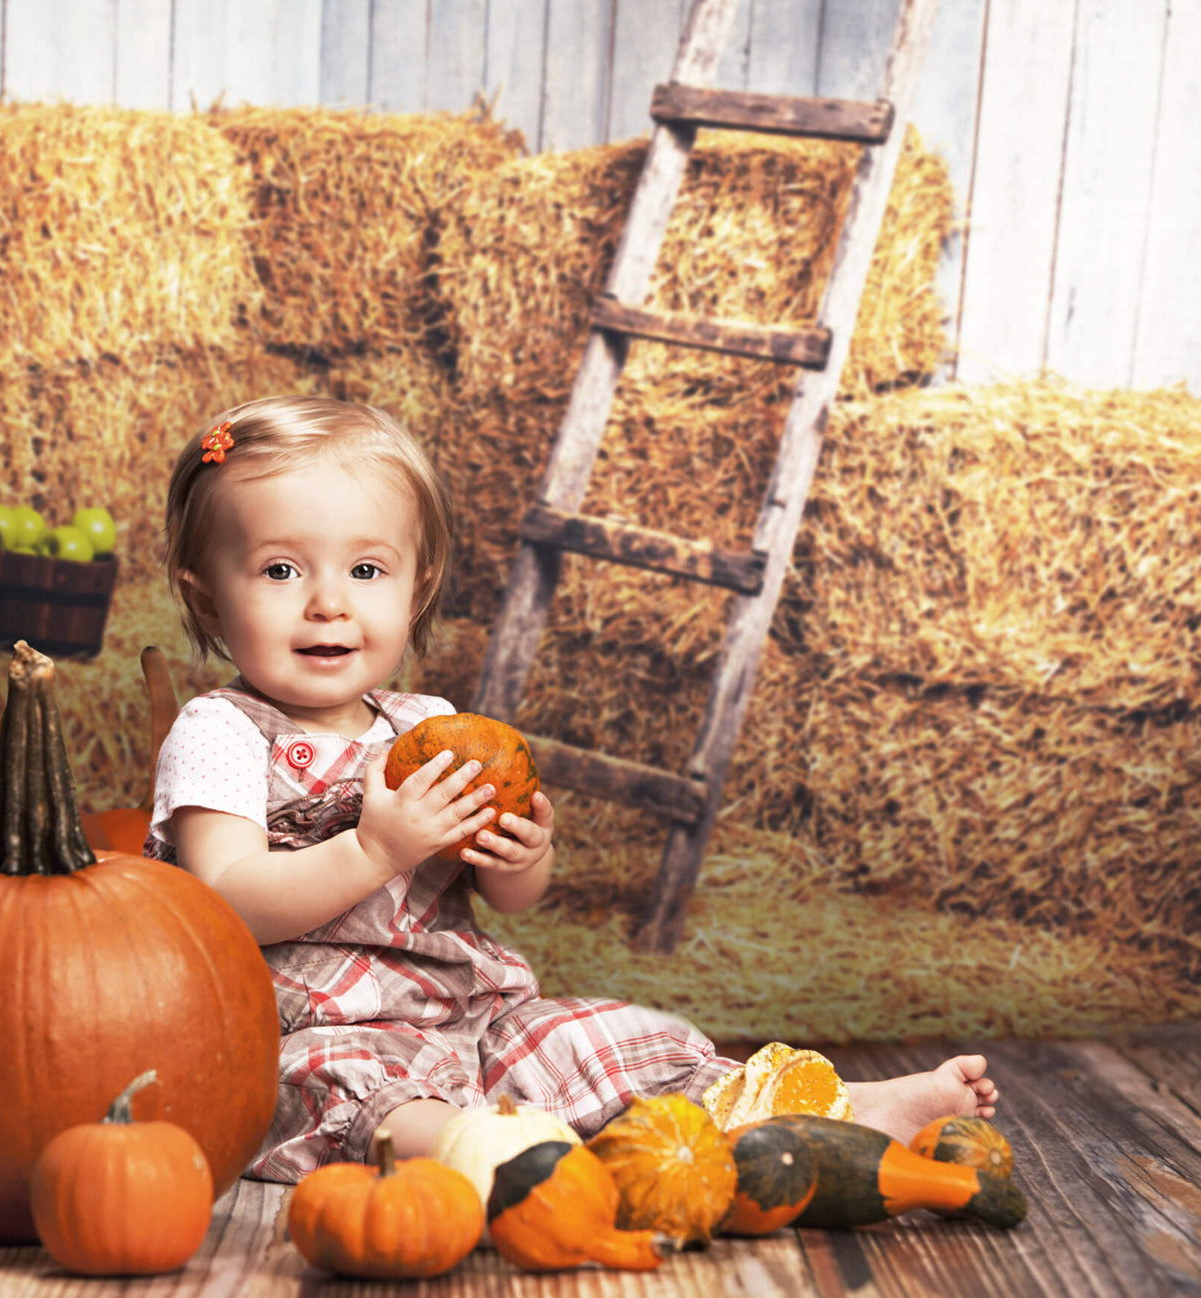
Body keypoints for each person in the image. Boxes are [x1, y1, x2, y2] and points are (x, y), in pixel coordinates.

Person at [146, 395, 999, 1182]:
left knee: (611, 1040)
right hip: (307, 1026)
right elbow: (224, 899)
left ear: (418, 589)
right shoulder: (219, 731)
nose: (329, 604)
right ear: (210, 601)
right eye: (281, 571)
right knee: (344, 1087)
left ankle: (837, 1108)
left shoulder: (427, 724)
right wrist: (375, 848)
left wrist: (520, 856)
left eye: (366, 571)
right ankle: (497, 1157)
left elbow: (508, 902)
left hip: (471, 1019)